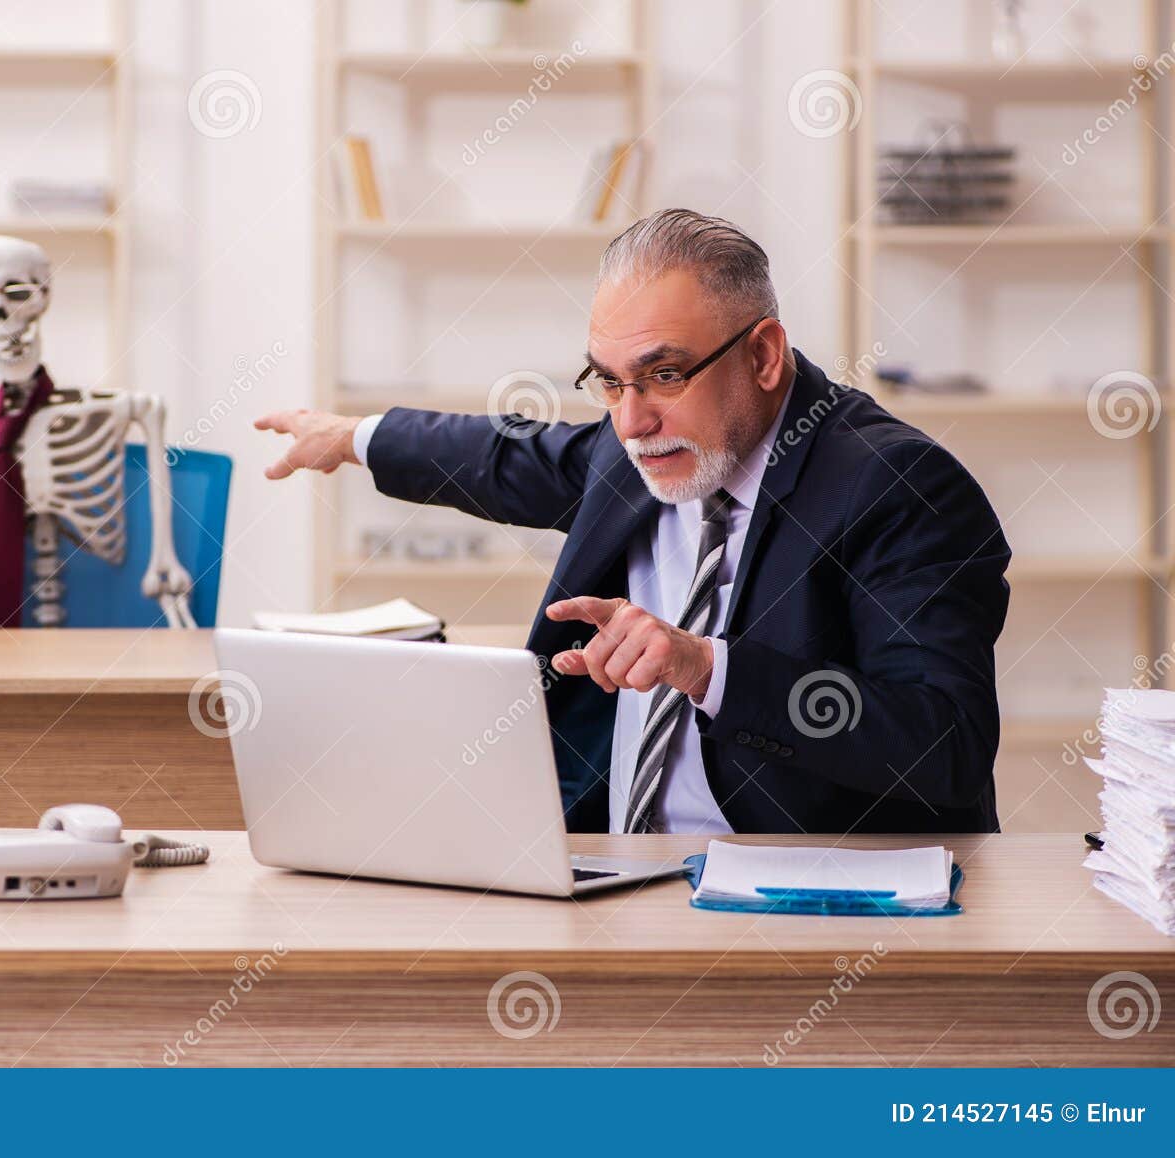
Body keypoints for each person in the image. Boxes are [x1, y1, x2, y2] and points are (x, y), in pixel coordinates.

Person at [255, 208, 1010, 835]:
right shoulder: (640, 446)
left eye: (665, 374)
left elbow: (943, 745)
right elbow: (504, 455)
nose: (632, 420)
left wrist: (705, 667)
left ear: (765, 354)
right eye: (608, 382)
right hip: (613, 869)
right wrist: (350, 437)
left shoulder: (897, 486)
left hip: (807, 897)